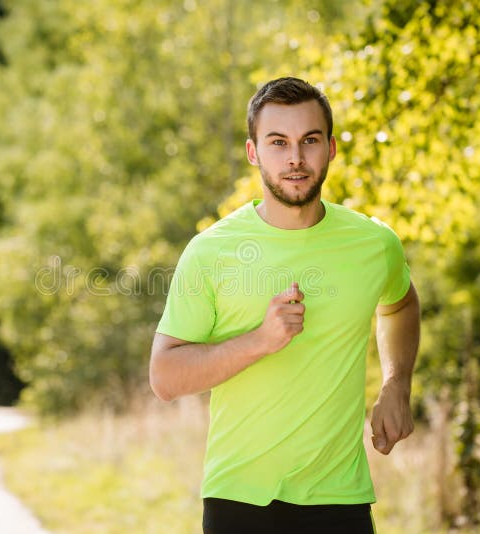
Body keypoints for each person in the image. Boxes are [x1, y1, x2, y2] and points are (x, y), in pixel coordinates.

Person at [149, 77, 420, 533]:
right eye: (278, 143)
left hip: (341, 501)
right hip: (239, 501)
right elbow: (164, 378)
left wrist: (397, 384)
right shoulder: (210, 251)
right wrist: (259, 341)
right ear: (254, 152)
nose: (295, 158)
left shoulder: (374, 244)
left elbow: (400, 306)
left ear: (331, 148)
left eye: (309, 141)